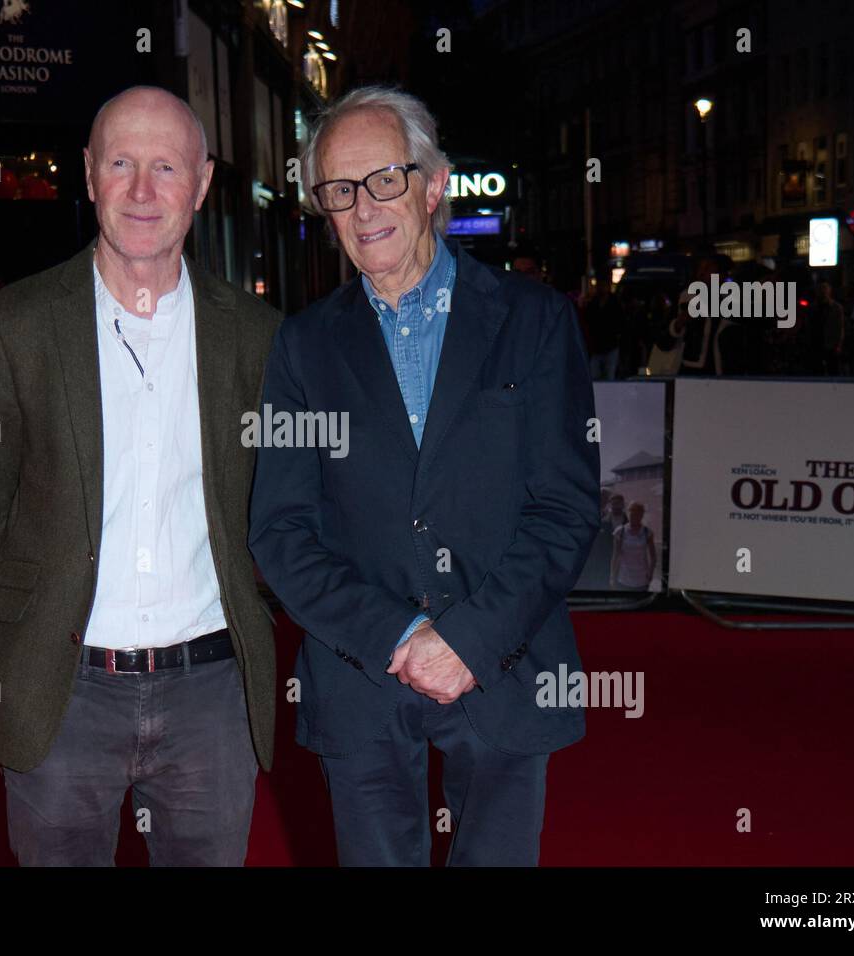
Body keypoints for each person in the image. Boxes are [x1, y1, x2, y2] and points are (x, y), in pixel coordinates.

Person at [248, 85, 600, 867]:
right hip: (359, 673)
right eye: (339, 191)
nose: (363, 207)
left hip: (504, 665)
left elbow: (565, 507)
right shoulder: (303, 348)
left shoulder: (534, 320)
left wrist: (468, 641)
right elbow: (281, 529)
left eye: (384, 179)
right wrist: (401, 636)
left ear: (433, 185)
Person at [0, 86, 281, 866]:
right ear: (90, 175)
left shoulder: (259, 337)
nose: (142, 190)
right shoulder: (16, 326)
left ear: (201, 184)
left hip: (211, 693)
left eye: (165, 167)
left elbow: (275, 507)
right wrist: (48, 604)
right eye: (122, 164)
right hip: (61, 691)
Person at [610, 502, 656, 591]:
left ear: (641, 515)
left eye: (636, 514)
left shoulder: (647, 532)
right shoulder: (620, 531)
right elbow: (615, 555)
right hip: (624, 578)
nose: (633, 517)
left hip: (642, 579)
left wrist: (650, 572)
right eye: (631, 514)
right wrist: (612, 576)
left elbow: (653, 556)